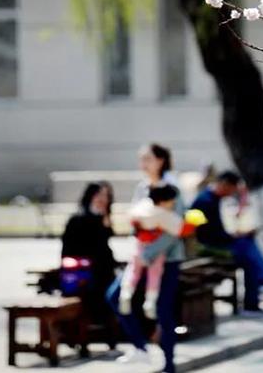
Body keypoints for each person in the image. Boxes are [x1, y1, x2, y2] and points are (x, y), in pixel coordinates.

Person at [106, 143, 183, 372]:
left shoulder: (172, 188)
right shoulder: (142, 188)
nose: (143, 164)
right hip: (140, 258)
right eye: (141, 159)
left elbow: (176, 227)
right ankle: (140, 347)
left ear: (161, 160)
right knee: (117, 296)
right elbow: (136, 221)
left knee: (163, 310)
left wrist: (151, 252)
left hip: (166, 260)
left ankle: (169, 364)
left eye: (147, 158)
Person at [191, 170, 263, 314]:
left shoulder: (212, 198)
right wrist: (235, 236)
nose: (232, 193)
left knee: (248, 246)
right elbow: (211, 234)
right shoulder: (206, 201)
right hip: (208, 246)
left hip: (215, 241)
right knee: (249, 256)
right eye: (232, 189)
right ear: (225, 185)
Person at [120, 184, 206, 319]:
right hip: (155, 249)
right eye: (172, 202)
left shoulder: (143, 207)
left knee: (133, 272)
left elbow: (132, 218)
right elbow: (179, 230)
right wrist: (193, 223)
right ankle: (150, 302)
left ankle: (126, 293)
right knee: (154, 275)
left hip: (139, 245)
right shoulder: (163, 214)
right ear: (163, 201)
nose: (173, 205)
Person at [61, 181, 118, 319]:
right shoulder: (79, 219)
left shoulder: (102, 218)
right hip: (84, 271)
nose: (102, 199)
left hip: (101, 271)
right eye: (99, 195)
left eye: (106, 196)